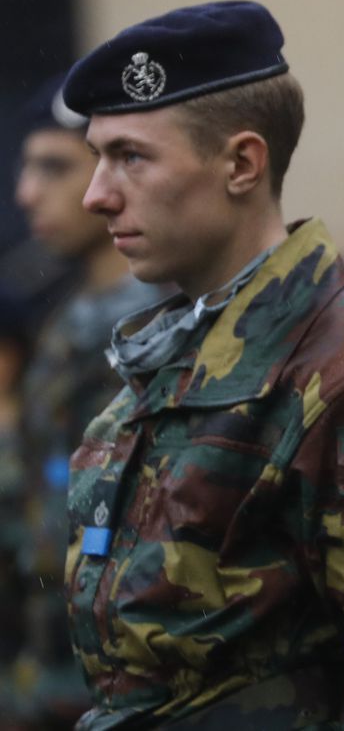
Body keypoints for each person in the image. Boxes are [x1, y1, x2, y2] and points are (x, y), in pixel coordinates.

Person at [61, 0, 344, 729]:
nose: (97, 194)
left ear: (241, 163)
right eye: (98, 156)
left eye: (131, 156)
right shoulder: (161, 369)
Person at [5, 75, 167, 727]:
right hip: (54, 675)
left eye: (54, 167)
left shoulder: (158, 333)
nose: (26, 193)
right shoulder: (70, 318)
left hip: (121, 684)